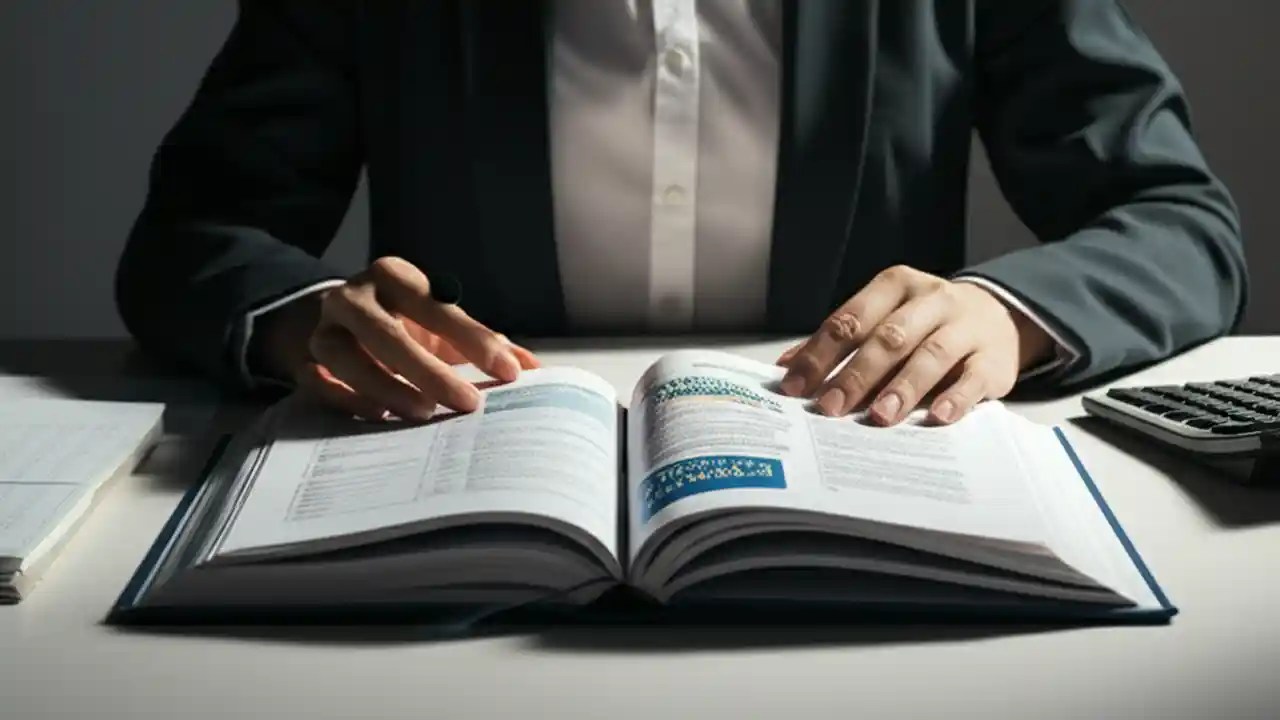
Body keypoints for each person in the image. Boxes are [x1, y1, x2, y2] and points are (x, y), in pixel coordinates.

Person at [116, 0, 1247, 426]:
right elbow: (191, 240)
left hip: (853, 493)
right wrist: (301, 317)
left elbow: (1176, 221)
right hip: (463, 498)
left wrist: (1006, 314)